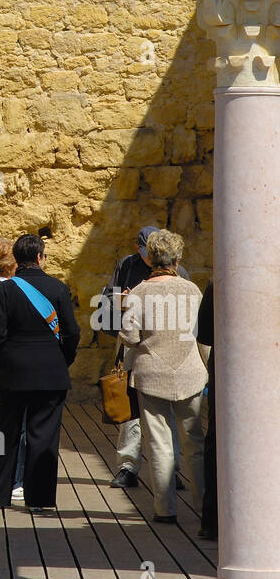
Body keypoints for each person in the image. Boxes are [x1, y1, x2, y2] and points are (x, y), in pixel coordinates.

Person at [0, 233, 80, 512]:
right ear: (38, 257)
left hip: (13, 372)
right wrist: (62, 361)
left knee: (4, 432)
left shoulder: (3, 292)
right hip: (51, 373)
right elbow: (72, 333)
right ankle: (40, 500)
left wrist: (1, 363)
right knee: (43, 436)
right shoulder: (58, 289)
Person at [120, 229, 206, 524]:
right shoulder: (192, 290)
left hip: (151, 371)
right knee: (194, 441)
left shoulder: (140, 292)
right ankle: (204, 504)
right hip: (190, 371)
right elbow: (201, 333)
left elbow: (129, 338)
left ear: (151, 258)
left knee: (158, 442)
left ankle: (164, 509)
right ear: (177, 258)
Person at [103, 225, 186, 490]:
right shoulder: (127, 266)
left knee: (167, 408)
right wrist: (122, 309)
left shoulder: (179, 273)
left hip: (165, 345)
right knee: (131, 409)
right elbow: (109, 299)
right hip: (133, 342)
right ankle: (128, 466)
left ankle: (170, 468)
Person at [0, 237, 26, 502]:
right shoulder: (5, 292)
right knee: (14, 427)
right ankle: (13, 479)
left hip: (6, 366)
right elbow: (0, 334)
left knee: (5, 425)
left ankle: (5, 477)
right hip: (13, 366)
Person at [196, 279, 217, 540]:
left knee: (216, 441)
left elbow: (205, 335)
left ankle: (212, 521)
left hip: (228, 366)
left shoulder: (218, 281)